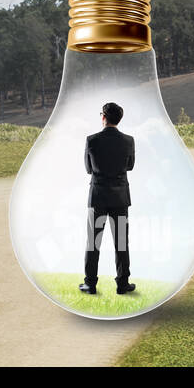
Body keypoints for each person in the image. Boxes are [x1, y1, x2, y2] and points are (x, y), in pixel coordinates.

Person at [80, 102, 135, 296]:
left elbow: (88, 169)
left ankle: (90, 284)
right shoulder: (129, 141)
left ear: (103, 116)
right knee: (121, 243)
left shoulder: (92, 140)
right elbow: (130, 166)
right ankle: (122, 284)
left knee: (93, 242)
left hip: (98, 198)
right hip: (120, 198)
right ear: (119, 118)